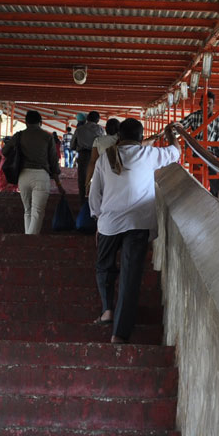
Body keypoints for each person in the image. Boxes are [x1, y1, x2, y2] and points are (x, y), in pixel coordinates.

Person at [89, 119, 180, 344]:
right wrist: (170, 135)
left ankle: (107, 310)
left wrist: (99, 220)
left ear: (118, 136)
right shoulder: (148, 154)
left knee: (104, 266)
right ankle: (119, 333)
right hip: (138, 225)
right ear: (141, 138)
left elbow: (95, 193)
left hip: (109, 223)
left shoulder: (105, 157)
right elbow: (175, 152)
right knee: (130, 277)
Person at [13, 110, 64, 234]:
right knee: (37, 212)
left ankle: (27, 237)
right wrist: (58, 184)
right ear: (40, 123)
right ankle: (29, 241)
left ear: (26, 122)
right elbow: (53, 161)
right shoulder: (47, 137)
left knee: (27, 210)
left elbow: (4, 151)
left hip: (23, 175)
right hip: (41, 176)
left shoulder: (19, 135)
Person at [179, 91, 219, 196]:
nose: (207, 105)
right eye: (204, 103)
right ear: (200, 104)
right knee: (200, 179)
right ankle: (203, 195)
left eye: (209, 103)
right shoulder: (194, 117)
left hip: (212, 154)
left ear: (213, 105)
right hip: (197, 152)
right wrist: (171, 131)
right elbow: (180, 126)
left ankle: (214, 194)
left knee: (215, 171)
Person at [73, 111, 105, 198]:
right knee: (97, 179)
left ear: (87, 119)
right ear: (98, 120)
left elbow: (72, 145)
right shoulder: (101, 129)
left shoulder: (79, 129)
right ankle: (95, 202)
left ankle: (82, 202)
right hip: (97, 155)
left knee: (82, 180)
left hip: (83, 155)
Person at [84, 118, 121, 189]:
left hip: (103, 172)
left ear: (106, 128)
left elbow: (93, 161)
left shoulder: (98, 140)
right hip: (119, 172)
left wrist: (87, 182)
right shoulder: (122, 140)